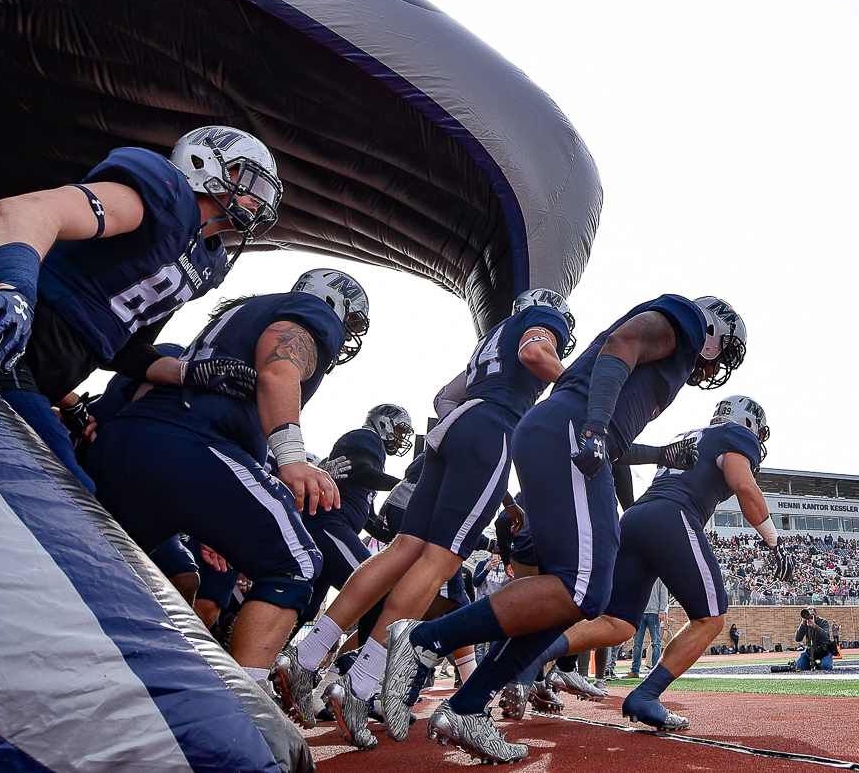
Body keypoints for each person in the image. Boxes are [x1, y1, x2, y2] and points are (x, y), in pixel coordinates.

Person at [380, 295, 749, 762]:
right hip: (571, 429)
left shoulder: (636, 379)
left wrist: (638, 447)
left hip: (563, 430)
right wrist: (594, 428)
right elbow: (623, 342)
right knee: (580, 587)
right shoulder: (687, 321)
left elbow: (611, 436)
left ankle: (469, 706)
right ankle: (423, 641)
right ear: (716, 329)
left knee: (583, 595)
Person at [285, 290, 575, 748]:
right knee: (438, 561)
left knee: (405, 550)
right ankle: (361, 685)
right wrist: (575, 386)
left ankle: (308, 654)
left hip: (455, 425)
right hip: (492, 425)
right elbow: (536, 352)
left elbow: (445, 397)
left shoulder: (492, 337)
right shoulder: (540, 322)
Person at [0, 126, 279, 492]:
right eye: (254, 183)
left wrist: (190, 373)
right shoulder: (165, 193)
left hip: (40, 373)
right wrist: (17, 287)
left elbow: (126, 351)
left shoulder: (207, 264)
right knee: (66, 488)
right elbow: (24, 210)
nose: (260, 201)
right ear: (205, 162)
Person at [85, 268, 367, 704]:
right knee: (295, 562)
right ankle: (247, 710)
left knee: (108, 577)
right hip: (192, 443)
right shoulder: (311, 312)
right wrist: (292, 458)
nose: (343, 336)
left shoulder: (238, 314)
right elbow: (279, 371)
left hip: (132, 442)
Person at [505, 395, 781, 734]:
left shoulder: (688, 435)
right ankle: (647, 695)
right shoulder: (736, 436)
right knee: (711, 617)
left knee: (617, 623)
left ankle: (530, 657)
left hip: (635, 519)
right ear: (749, 424)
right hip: (672, 515)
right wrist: (773, 541)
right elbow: (744, 485)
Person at [270, 407, 410, 730]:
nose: (400, 439)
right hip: (329, 525)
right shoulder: (367, 439)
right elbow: (360, 470)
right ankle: (358, 682)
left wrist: (405, 537)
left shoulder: (368, 450)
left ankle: (275, 670)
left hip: (327, 526)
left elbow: (369, 515)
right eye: (399, 430)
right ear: (383, 424)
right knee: (380, 590)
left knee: (305, 609)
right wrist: (402, 484)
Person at [631, 579, 669, 677]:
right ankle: (635, 671)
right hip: (641, 613)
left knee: (655, 642)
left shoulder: (659, 577)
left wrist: (661, 611)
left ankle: (654, 670)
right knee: (637, 644)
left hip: (653, 612)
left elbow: (664, 594)